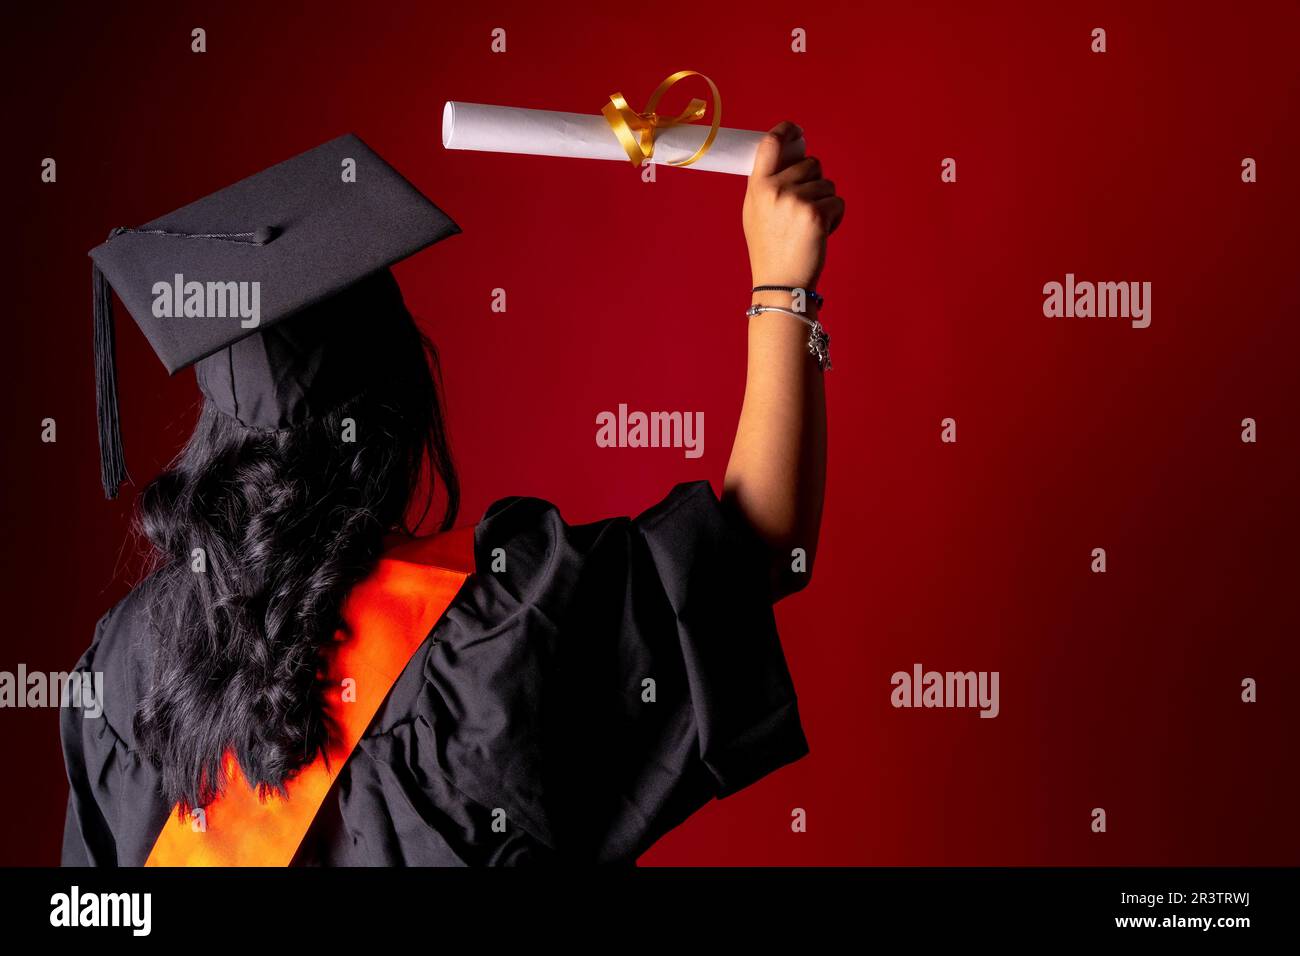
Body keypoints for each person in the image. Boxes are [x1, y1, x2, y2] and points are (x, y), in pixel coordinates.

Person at [60, 121, 844, 866]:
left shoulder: (129, 666)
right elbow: (758, 555)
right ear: (403, 410)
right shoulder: (496, 635)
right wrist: (783, 286)